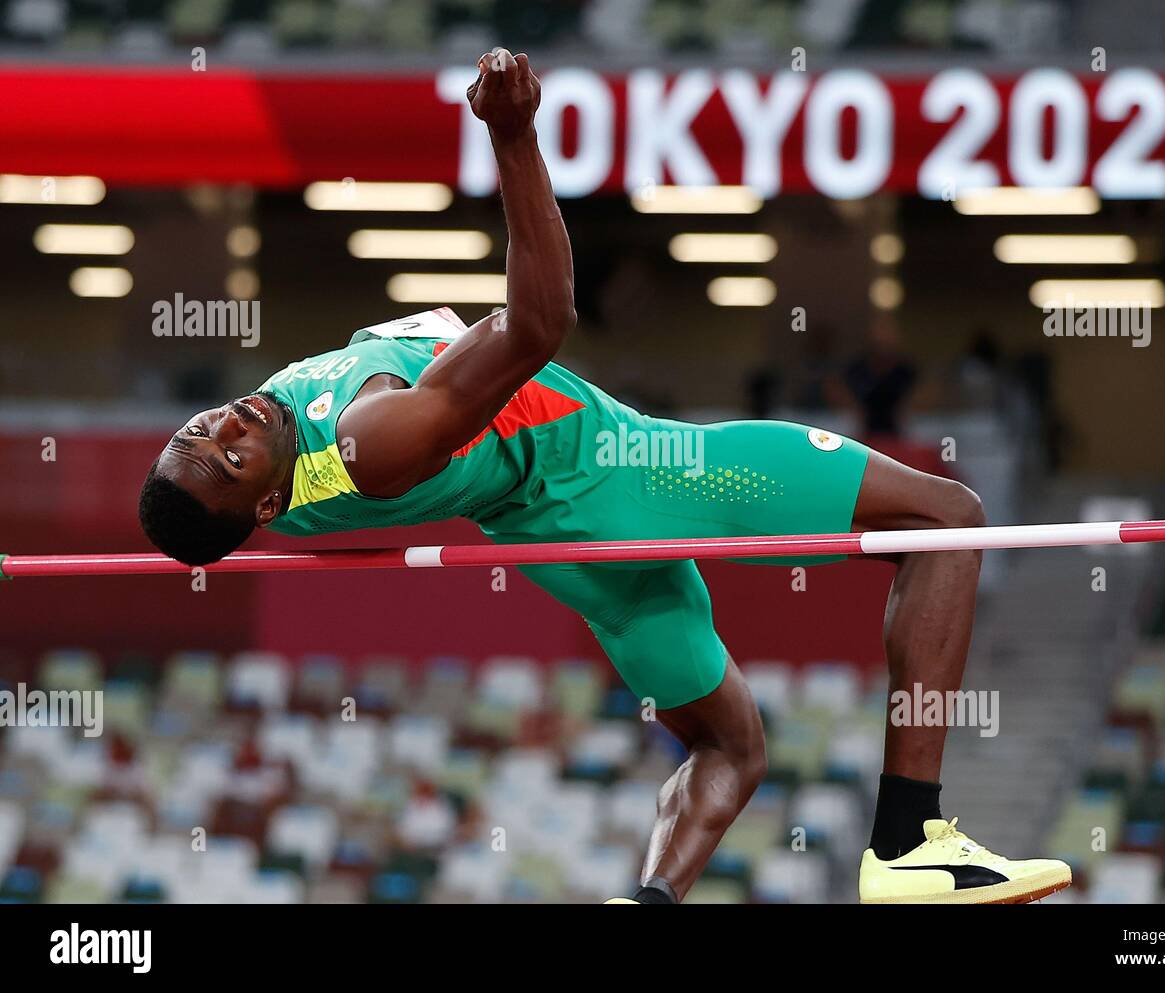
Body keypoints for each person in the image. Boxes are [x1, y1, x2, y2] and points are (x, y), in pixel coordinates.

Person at [137, 49, 1070, 905]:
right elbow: (539, 324)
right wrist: (513, 137)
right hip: (637, 468)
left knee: (730, 746)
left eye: (201, 427)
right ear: (264, 500)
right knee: (949, 518)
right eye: (229, 455)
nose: (228, 422)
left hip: (554, 538)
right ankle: (910, 843)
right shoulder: (368, 440)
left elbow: (212, 506)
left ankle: (650, 902)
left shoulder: (281, 471)